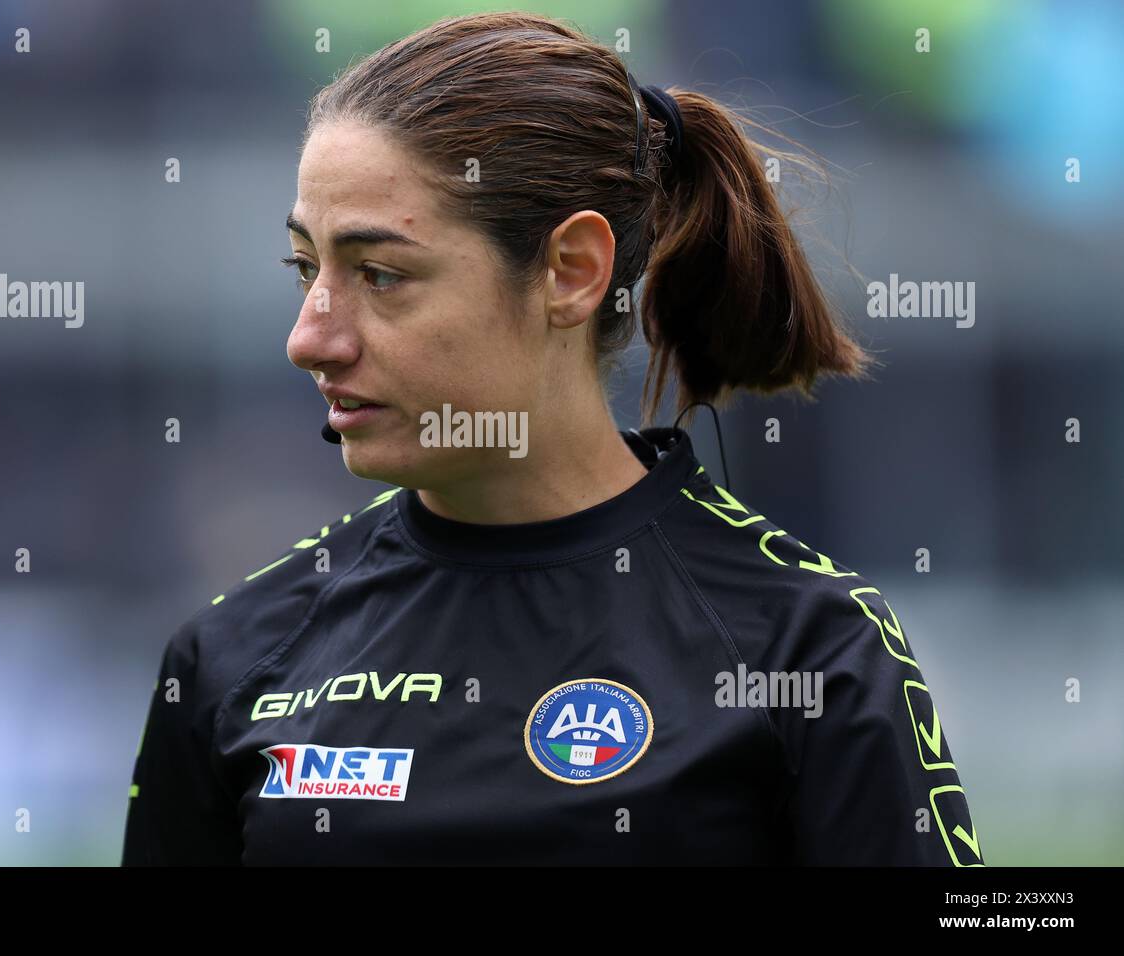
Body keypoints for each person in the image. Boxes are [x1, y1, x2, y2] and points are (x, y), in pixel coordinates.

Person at [121, 11, 983, 866]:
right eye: (308, 269)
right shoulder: (233, 656)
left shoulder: (803, 644)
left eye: (381, 275)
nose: (309, 338)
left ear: (572, 273)